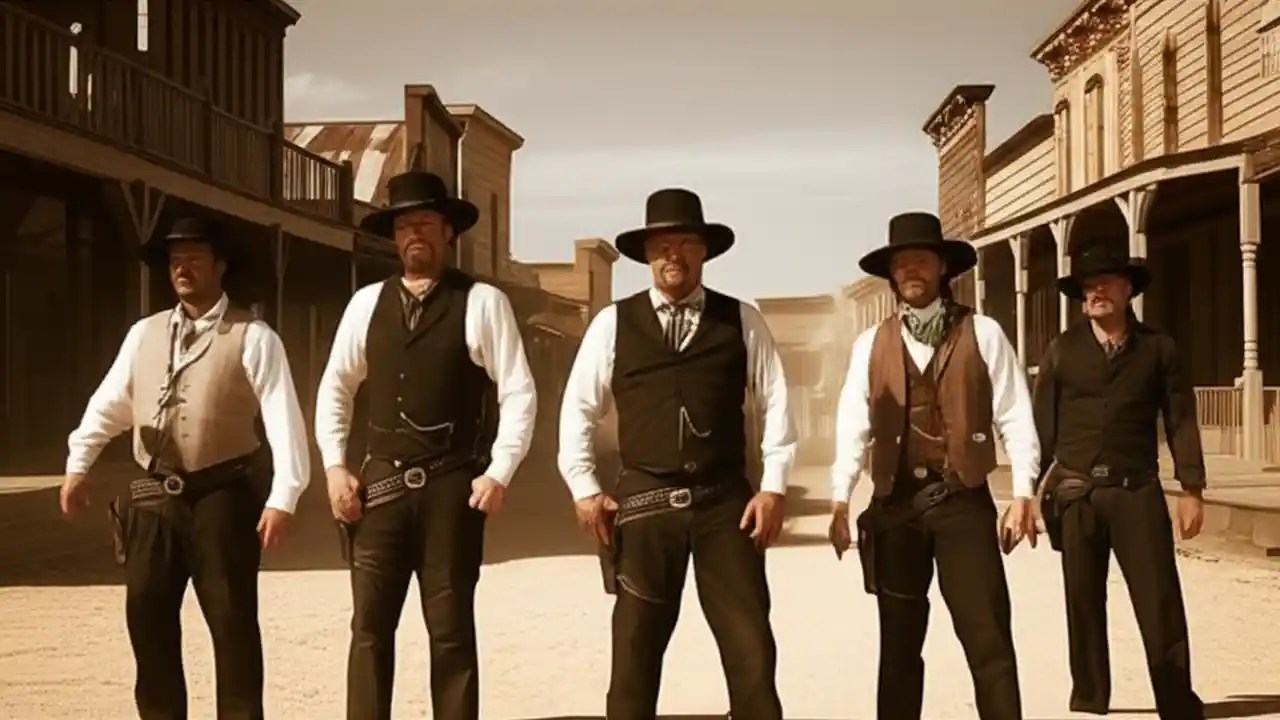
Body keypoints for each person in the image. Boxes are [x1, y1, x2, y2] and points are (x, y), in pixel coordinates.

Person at [557, 187, 796, 720]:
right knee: (635, 653)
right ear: (646, 254)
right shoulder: (612, 323)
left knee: (751, 646)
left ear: (703, 251)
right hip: (644, 503)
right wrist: (585, 488)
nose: (674, 255)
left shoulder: (742, 320)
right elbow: (577, 409)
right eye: (663, 245)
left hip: (724, 503)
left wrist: (774, 485)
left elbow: (776, 399)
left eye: (685, 243)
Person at [60, 216, 311, 720]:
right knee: (147, 620)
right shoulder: (144, 334)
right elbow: (110, 403)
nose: (182, 267)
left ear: (220, 265)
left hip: (224, 494)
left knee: (232, 625)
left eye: (195, 256)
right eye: (175, 259)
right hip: (154, 497)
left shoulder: (254, 336)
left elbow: (285, 419)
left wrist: (284, 496)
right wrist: (78, 463)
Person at [314, 169, 537, 720]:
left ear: (447, 233)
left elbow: (518, 391)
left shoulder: (483, 302)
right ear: (394, 236)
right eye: (406, 224)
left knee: (451, 630)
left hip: (451, 489)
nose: (416, 233)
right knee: (368, 629)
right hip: (381, 489)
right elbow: (336, 387)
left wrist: (500, 471)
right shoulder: (365, 304)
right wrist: (334, 468)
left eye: (427, 223)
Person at [826, 211, 1040, 720]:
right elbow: (853, 422)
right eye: (901, 264)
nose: (911, 270)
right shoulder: (869, 344)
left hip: (962, 501)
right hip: (896, 507)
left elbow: (1015, 411)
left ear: (942, 267)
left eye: (920, 259)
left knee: (988, 642)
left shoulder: (983, 332)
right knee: (898, 649)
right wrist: (839, 497)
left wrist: (1024, 493)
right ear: (893, 275)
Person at [1033, 243, 1205, 719]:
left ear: (1129, 290)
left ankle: (1175, 701)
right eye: (1089, 286)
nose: (1096, 292)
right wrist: (1026, 496)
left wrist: (1191, 489)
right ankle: (1090, 698)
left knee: (1160, 600)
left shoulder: (1158, 349)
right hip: (1078, 494)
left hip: (1138, 492)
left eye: (1106, 282)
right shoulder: (1061, 352)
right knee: (1082, 603)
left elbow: (1180, 421)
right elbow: (1041, 429)